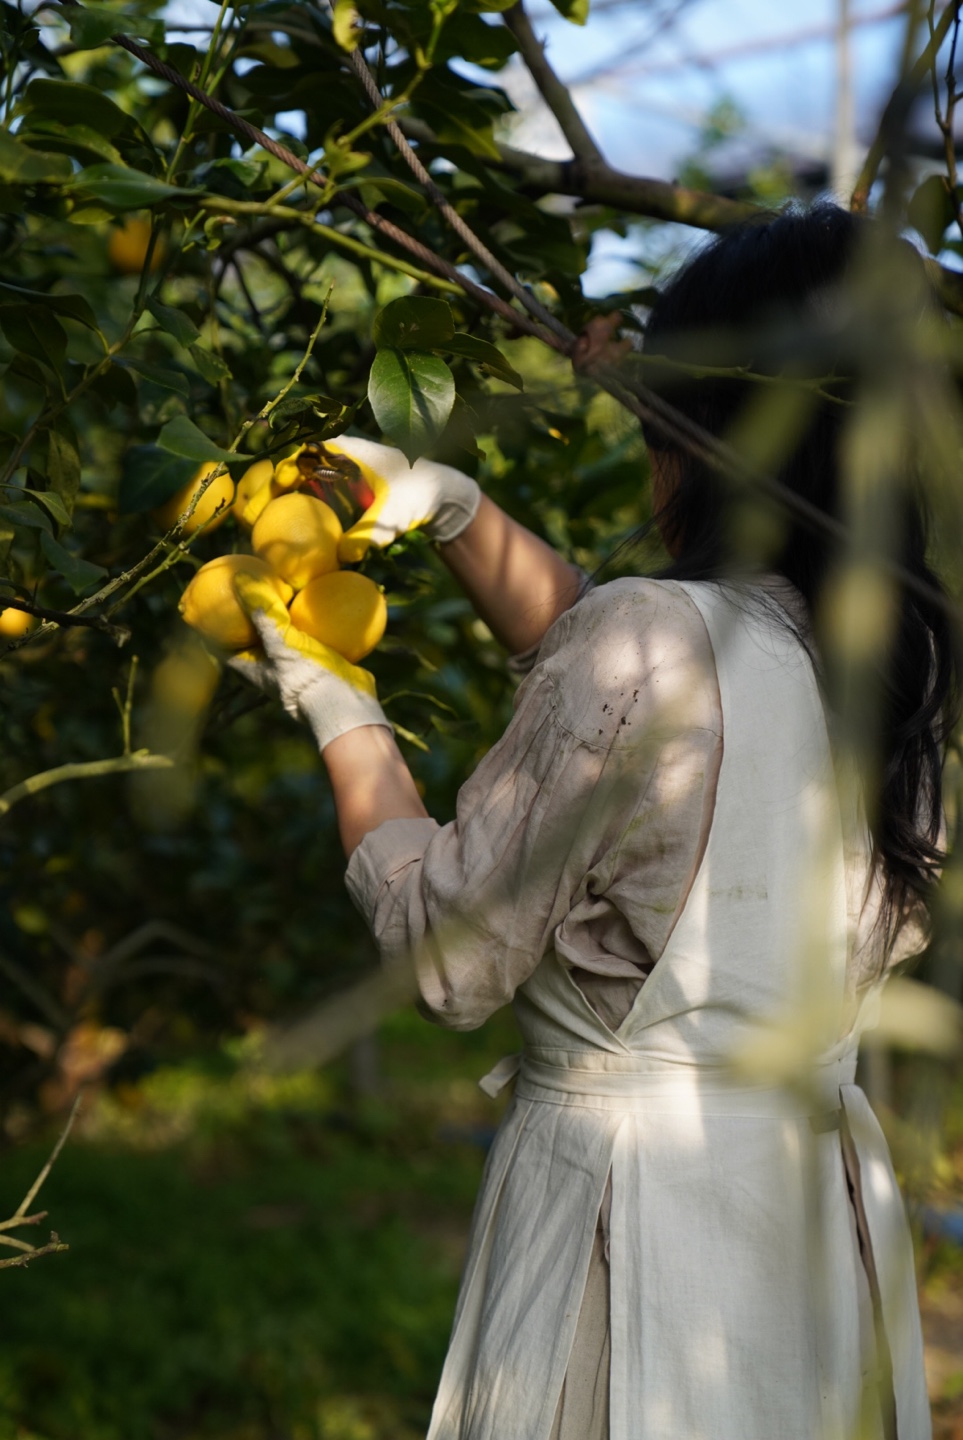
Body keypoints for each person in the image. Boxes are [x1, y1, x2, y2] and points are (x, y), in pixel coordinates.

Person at [231, 202, 957, 1440]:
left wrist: (338, 707)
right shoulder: (901, 668)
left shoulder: (654, 643)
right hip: (810, 1221)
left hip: (634, 1211)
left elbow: (450, 952)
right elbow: (650, 701)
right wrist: (458, 515)